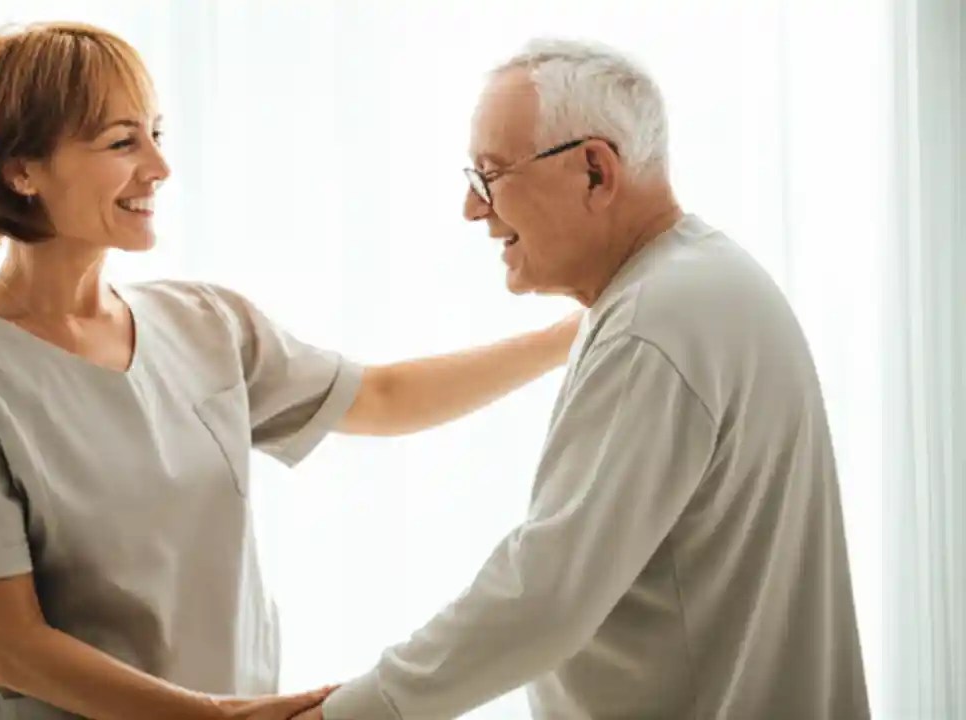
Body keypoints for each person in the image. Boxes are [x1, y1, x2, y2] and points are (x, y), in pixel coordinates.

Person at [0, 22, 580, 720]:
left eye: (157, 134)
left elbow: (385, 397)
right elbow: (14, 649)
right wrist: (210, 718)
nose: (158, 166)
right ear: (20, 171)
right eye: (123, 142)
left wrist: (578, 333)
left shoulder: (205, 324)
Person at [308, 39, 870, 720]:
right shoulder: (704, 283)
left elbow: (546, 596)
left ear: (595, 173)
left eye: (490, 174)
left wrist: (347, 713)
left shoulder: (653, 321)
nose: (471, 208)